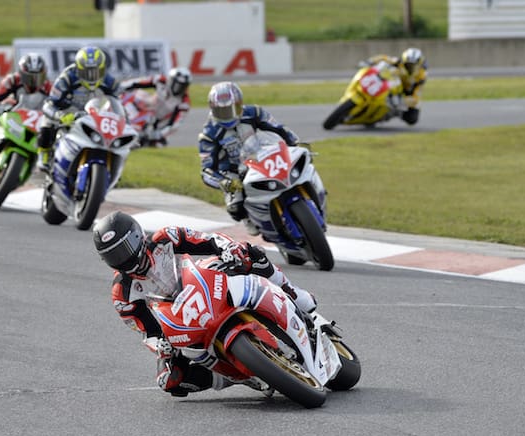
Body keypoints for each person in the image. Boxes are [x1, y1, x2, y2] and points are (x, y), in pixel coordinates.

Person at [92, 210, 317, 398]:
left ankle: (294, 294)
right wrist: (160, 345)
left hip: (201, 278)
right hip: (177, 319)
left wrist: (229, 249)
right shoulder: (122, 292)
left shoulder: (165, 238)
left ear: (137, 236)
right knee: (169, 381)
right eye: (114, 256)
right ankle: (236, 377)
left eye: (125, 248)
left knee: (251, 254)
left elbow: (207, 240)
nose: (124, 258)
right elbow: (146, 331)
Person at [198, 82, 301, 223]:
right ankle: (255, 221)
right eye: (222, 111)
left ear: (240, 104)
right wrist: (224, 182)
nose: (229, 115)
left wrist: (294, 143)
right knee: (235, 209)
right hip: (233, 172)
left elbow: (278, 128)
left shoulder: (254, 112)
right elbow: (206, 170)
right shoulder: (209, 133)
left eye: (233, 109)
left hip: (262, 154)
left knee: (296, 169)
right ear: (213, 109)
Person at [36, 45, 121, 173]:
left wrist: (126, 125)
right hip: (66, 112)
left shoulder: (110, 82)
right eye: (86, 72)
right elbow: (49, 104)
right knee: (47, 121)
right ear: (78, 69)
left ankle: (112, 168)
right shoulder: (67, 77)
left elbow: (120, 106)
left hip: (93, 115)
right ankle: (44, 153)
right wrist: (59, 115)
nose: (92, 77)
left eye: (96, 72)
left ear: (103, 69)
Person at [119, 67, 192, 147]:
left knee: (158, 145)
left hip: (160, 124)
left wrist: (160, 133)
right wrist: (120, 86)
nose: (178, 88)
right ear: (170, 80)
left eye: (182, 86)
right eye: (176, 84)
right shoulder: (160, 80)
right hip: (147, 109)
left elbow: (175, 124)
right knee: (133, 95)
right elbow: (138, 82)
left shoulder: (184, 102)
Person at [361, 47, 428, 124]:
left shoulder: (421, 76)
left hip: (406, 92)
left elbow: (416, 96)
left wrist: (402, 101)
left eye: (413, 65)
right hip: (390, 83)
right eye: (408, 64)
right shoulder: (398, 62)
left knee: (412, 119)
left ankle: (393, 113)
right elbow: (383, 58)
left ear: (419, 65)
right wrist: (369, 62)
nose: (410, 67)